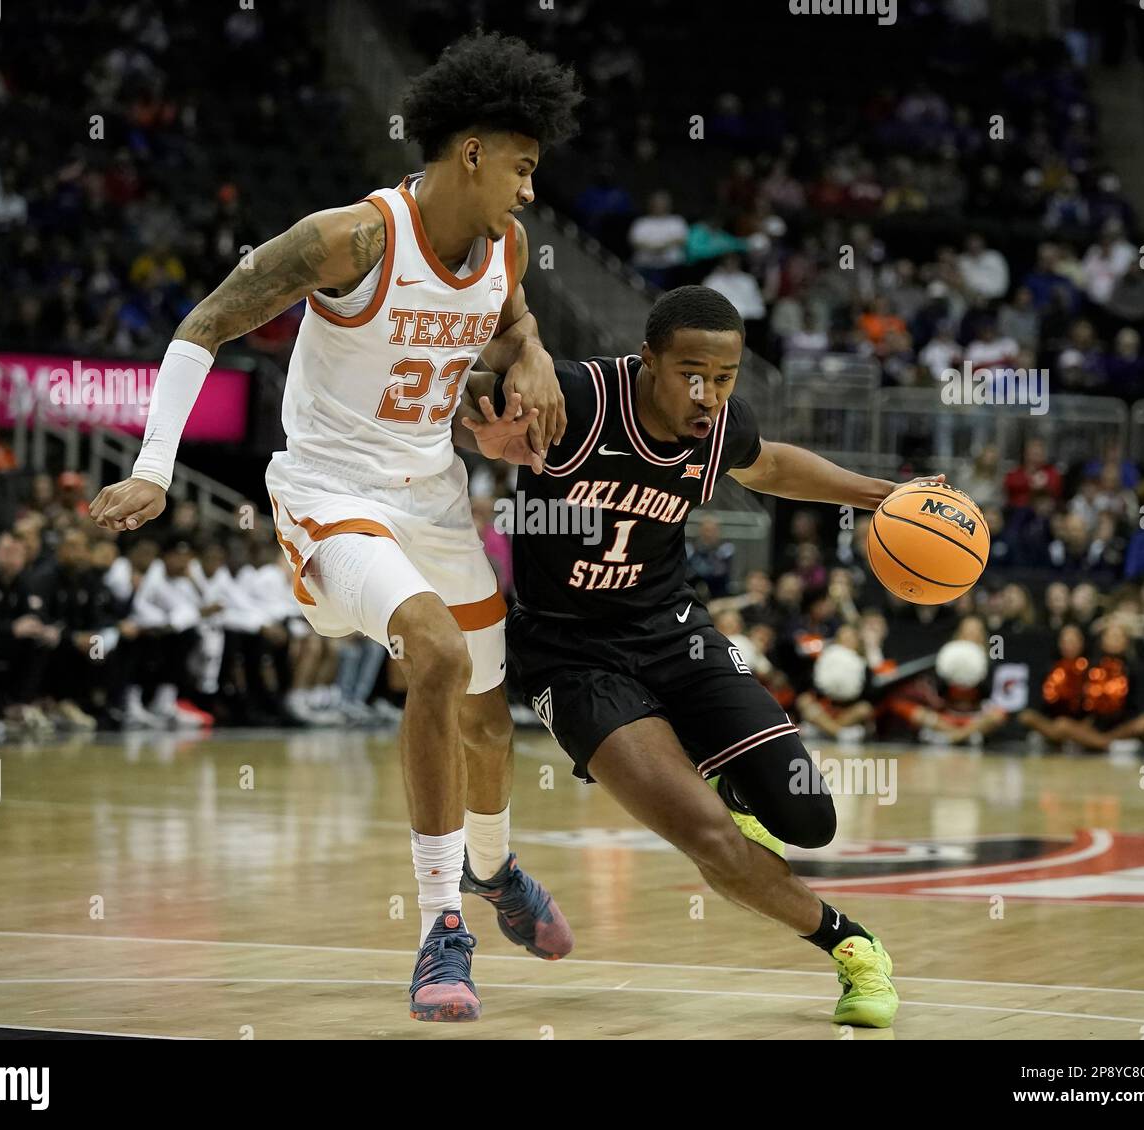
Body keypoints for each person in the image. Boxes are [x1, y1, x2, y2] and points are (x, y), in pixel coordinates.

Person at [89, 33, 582, 1023]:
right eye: (522, 167)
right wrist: (151, 468)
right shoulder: (350, 238)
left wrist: (525, 362)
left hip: (433, 491)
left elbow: (508, 323)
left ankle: (494, 869)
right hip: (329, 491)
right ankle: (442, 926)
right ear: (474, 152)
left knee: (490, 709)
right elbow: (208, 320)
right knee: (436, 657)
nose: (530, 192)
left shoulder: (506, 249)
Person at [460, 287, 909, 1027]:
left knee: (809, 818)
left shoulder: (721, 426)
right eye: (690, 373)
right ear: (648, 364)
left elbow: (767, 465)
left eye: (725, 377)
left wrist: (880, 494)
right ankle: (850, 944)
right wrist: (507, 373)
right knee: (708, 838)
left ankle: (730, 785)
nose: (708, 394)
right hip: (568, 655)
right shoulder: (575, 396)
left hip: (673, 631)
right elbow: (467, 389)